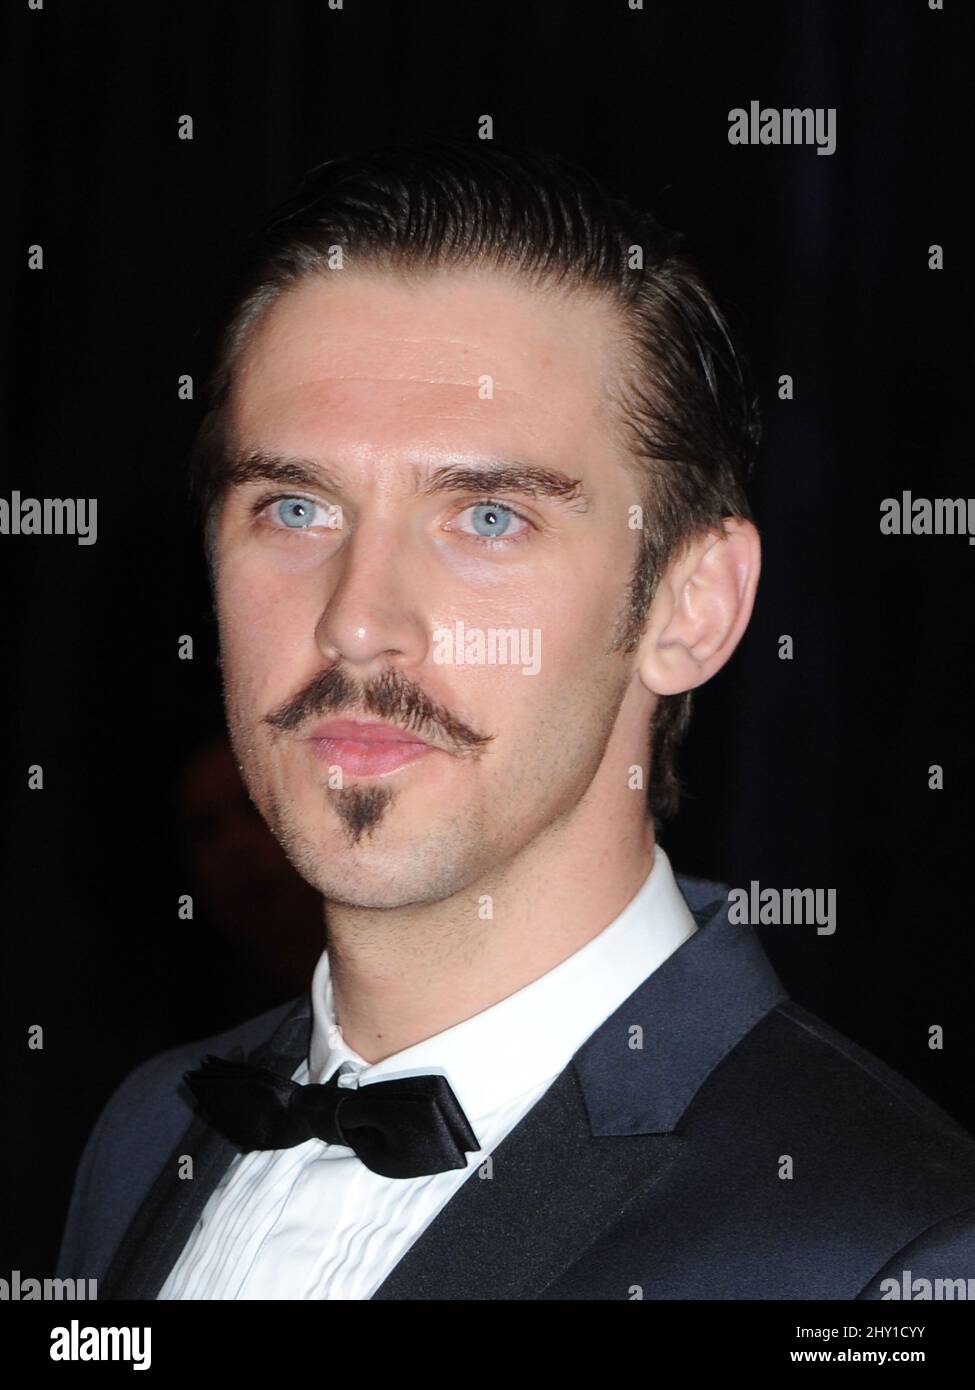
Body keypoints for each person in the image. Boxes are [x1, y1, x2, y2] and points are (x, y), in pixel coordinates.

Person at [56, 140, 975, 1300]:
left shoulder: (892, 1255)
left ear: (691, 608)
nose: (357, 623)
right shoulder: (148, 1131)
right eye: (294, 505)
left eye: (488, 517)